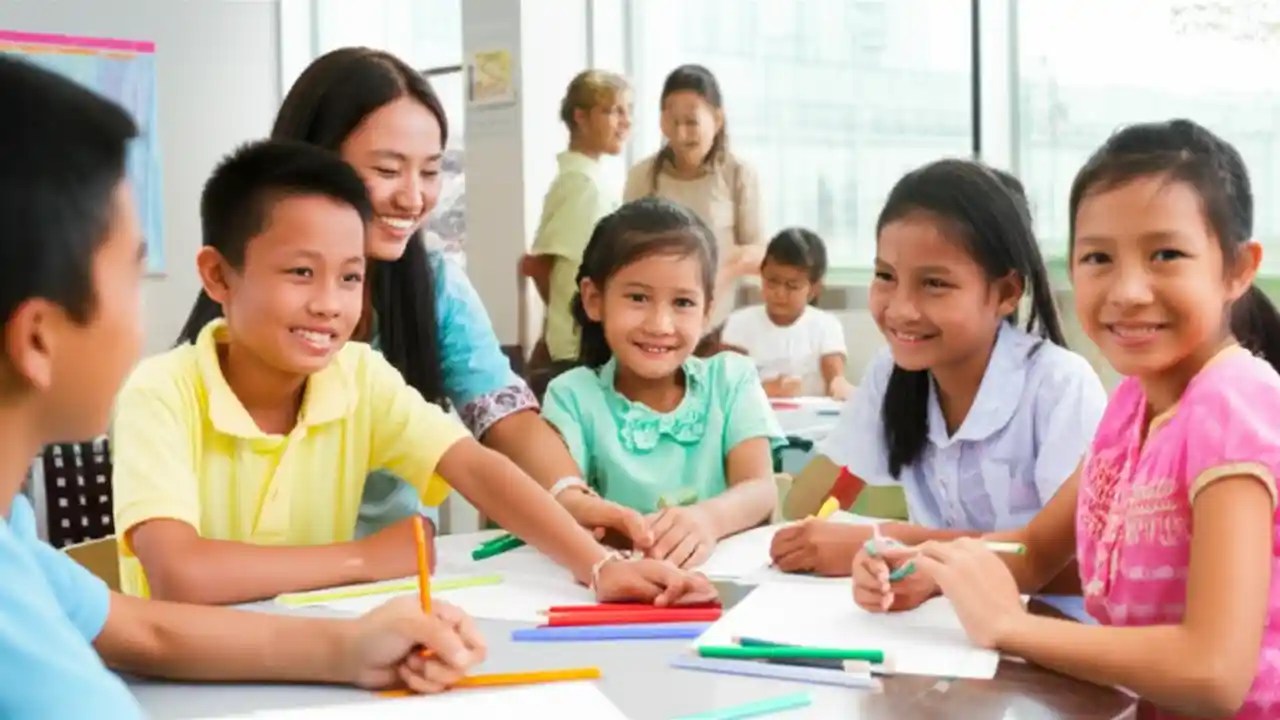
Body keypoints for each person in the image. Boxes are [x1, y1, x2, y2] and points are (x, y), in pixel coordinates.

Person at [0, 56, 485, 717]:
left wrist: (350, 649)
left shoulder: (13, 540)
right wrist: (361, 567)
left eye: (348, 277)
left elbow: (146, 628)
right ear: (37, 337)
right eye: (132, 276)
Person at [111, 140, 716, 608]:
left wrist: (600, 567)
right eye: (300, 273)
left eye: (350, 277)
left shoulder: (357, 375)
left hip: (320, 657)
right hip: (185, 678)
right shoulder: (161, 392)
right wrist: (364, 559)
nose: (329, 303)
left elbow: (480, 470)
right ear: (218, 276)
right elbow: (180, 572)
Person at [854, 120, 1280, 719]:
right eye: (1098, 257)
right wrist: (924, 569)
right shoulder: (1132, 405)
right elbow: (1031, 553)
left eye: (1166, 254)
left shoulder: (1235, 402)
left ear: (1237, 269)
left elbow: (1214, 675)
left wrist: (1008, 625)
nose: (1128, 290)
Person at [262, 49, 656, 550]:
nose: (413, 198)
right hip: (273, 588)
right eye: (387, 170)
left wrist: (569, 495)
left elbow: (502, 421)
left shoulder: (432, 287)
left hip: (396, 584)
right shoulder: (250, 307)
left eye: (430, 172)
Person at [769, 160, 1106, 578]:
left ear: (1005, 292)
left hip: (1043, 627)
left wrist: (895, 541)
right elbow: (804, 505)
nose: (901, 309)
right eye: (885, 276)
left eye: (934, 284)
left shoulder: (1059, 387)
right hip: (935, 621)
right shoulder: (892, 371)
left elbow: (1078, 567)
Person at [541, 198, 783, 569]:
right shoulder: (572, 395)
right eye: (638, 297)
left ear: (707, 310)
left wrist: (708, 519)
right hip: (616, 586)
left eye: (683, 302)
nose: (660, 324)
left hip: (721, 585)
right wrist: (616, 522)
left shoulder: (732, 379)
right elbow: (564, 496)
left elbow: (760, 488)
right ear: (594, 299)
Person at [624, 64, 764, 330]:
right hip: (656, 324)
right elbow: (624, 250)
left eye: (691, 122)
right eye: (672, 122)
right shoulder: (642, 176)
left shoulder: (739, 174)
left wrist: (722, 275)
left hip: (721, 325)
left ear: (718, 120)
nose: (680, 134)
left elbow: (759, 251)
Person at [527, 69, 632, 366]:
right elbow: (542, 267)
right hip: (580, 347)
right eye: (613, 111)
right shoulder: (582, 184)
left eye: (628, 111)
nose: (626, 122)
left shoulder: (590, 179)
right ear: (580, 117)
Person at [721, 227, 852, 399]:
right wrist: (765, 390)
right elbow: (727, 388)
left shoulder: (826, 325)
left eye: (792, 286)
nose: (779, 293)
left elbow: (836, 379)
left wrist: (841, 387)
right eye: (772, 282)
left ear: (814, 289)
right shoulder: (740, 323)